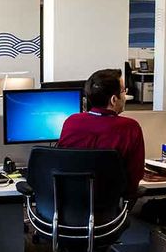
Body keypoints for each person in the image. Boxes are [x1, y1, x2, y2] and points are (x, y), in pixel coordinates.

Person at [59, 68, 144, 201]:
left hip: (67, 204)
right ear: (114, 99)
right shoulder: (130, 127)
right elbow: (135, 177)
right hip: (109, 207)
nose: (125, 96)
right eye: (124, 91)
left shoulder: (71, 121)